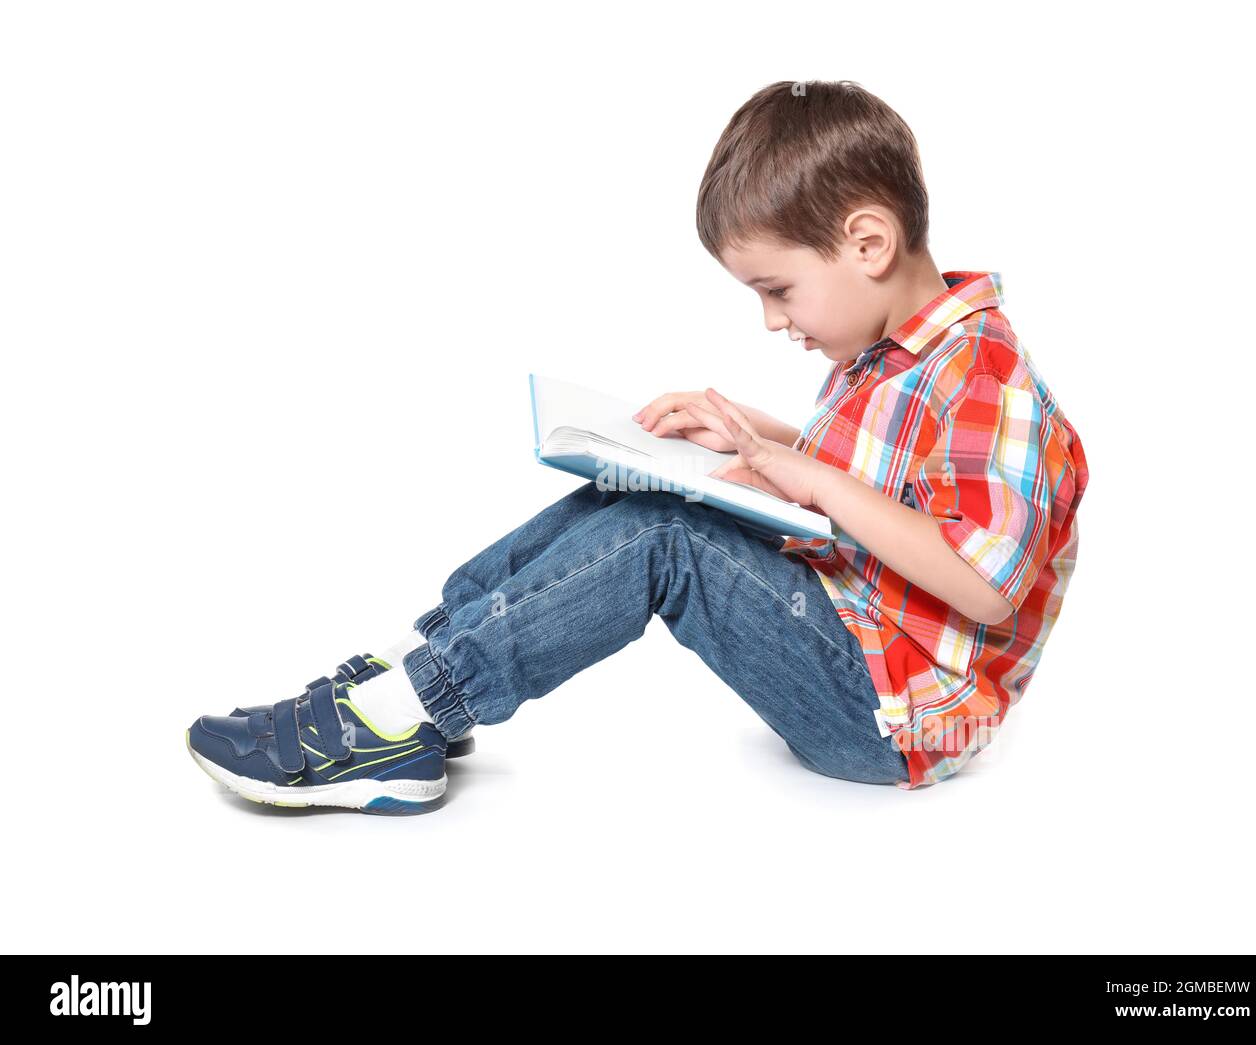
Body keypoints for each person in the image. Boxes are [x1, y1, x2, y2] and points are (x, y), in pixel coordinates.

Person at [185, 80, 1089, 814]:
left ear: (867, 242)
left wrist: (806, 476)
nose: (773, 319)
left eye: (778, 289)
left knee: (669, 541)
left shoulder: (987, 376)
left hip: (893, 719)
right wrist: (755, 434)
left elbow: (986, 582)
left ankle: (411, 706)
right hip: (853, 648)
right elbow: (881, 486)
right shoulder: (899, 351)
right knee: (648, 489)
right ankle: (417, 675)